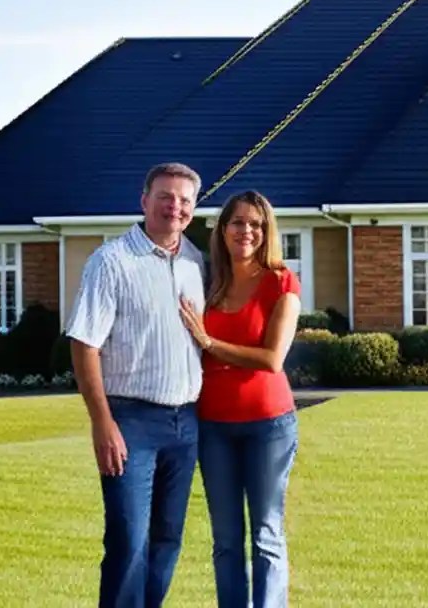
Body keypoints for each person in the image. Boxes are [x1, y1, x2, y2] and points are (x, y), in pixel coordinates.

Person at [65, 162, 207, 607]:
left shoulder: (195, 262)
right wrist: (102, 422)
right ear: (144, 200)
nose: (175, 207)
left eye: (184, 200)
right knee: (128, 541)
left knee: (167, 540)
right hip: (130, 422)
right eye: (165, 196)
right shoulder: (111, 261)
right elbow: (84, 343)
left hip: (186, 423)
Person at [176, 189, 302, 608]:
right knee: (226, 540)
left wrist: (209, 342)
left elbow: (272, 359)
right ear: (223, 229)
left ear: (267, 232)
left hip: (269, 426)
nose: (246, 231)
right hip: (213, 426)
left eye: (256, 224)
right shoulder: (208, 281)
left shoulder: (281, 282)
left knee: (266, 533)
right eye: (238, 222)